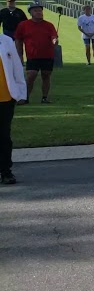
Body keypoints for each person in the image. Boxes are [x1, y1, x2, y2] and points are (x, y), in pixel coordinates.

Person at [14, 2, 57, 105]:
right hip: (32, 56)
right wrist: (20, 55)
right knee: (31, 75)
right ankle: (25, 97)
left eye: (40, 10)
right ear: (31, 13)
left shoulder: (49, 25)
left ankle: (44, 98)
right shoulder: (23, 25)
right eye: (36, 10)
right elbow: (18, 40)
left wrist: (55, 41)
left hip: (47, 55)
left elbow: (54, 36)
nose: (39, 12)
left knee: (46, 75)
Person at [0, 30, 27, 184]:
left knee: (4, 136)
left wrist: (21, 92)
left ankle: (6, 171)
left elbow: (17, 66)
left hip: (5, 98)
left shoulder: (6, 41)